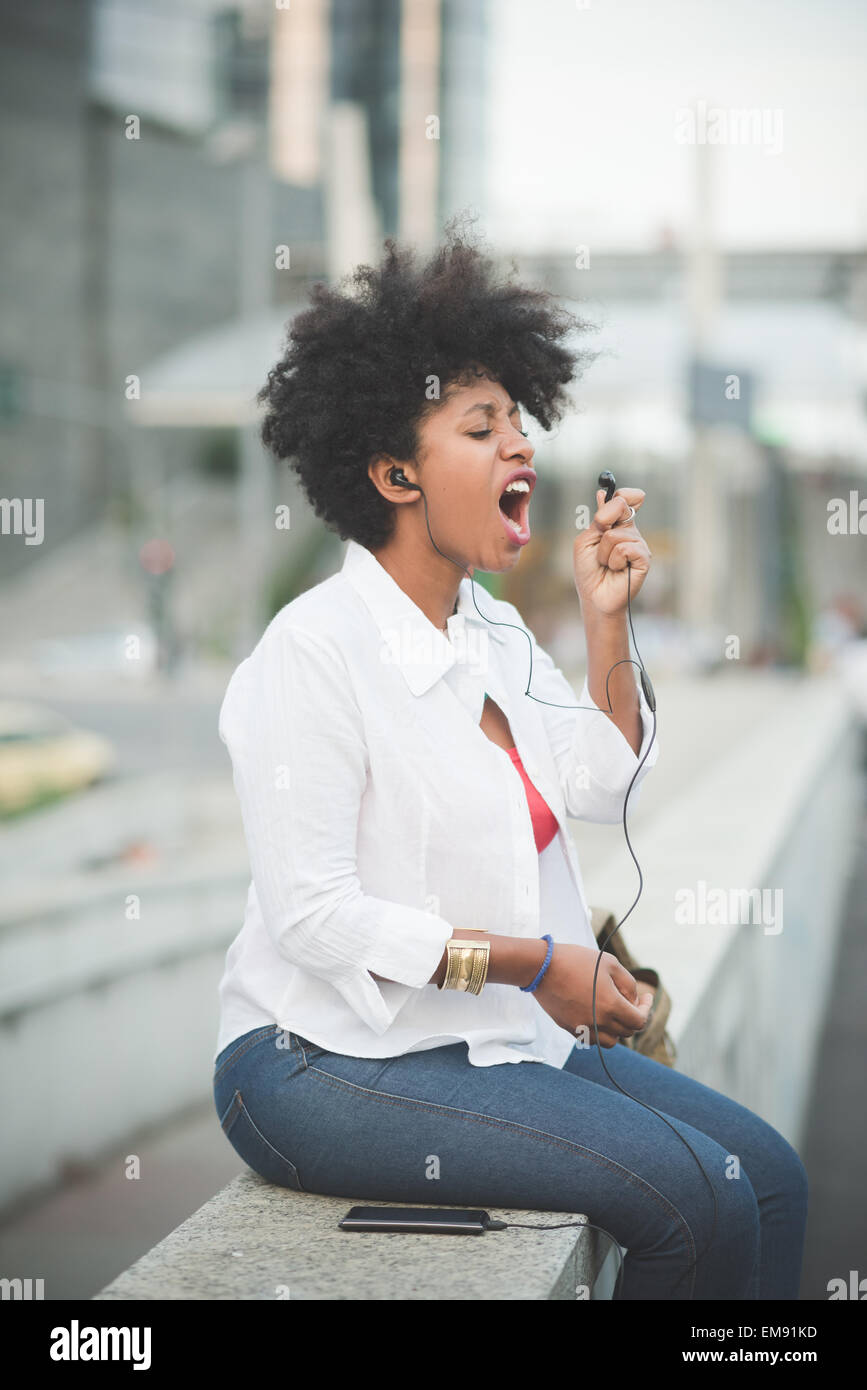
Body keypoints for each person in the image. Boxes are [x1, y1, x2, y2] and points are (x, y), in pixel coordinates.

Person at [212, 222, 808, 1300]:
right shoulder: (314, 649)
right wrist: (539, 963)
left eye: (520, 422)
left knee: (763, 1175)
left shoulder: (487, 631)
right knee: (684, 1194)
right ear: (394, 470)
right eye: (482, 427)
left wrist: (605, 621)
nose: (521, 446)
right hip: (318, 1060)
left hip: (491, 1037)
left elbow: (601, 780)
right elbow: (313, 916)